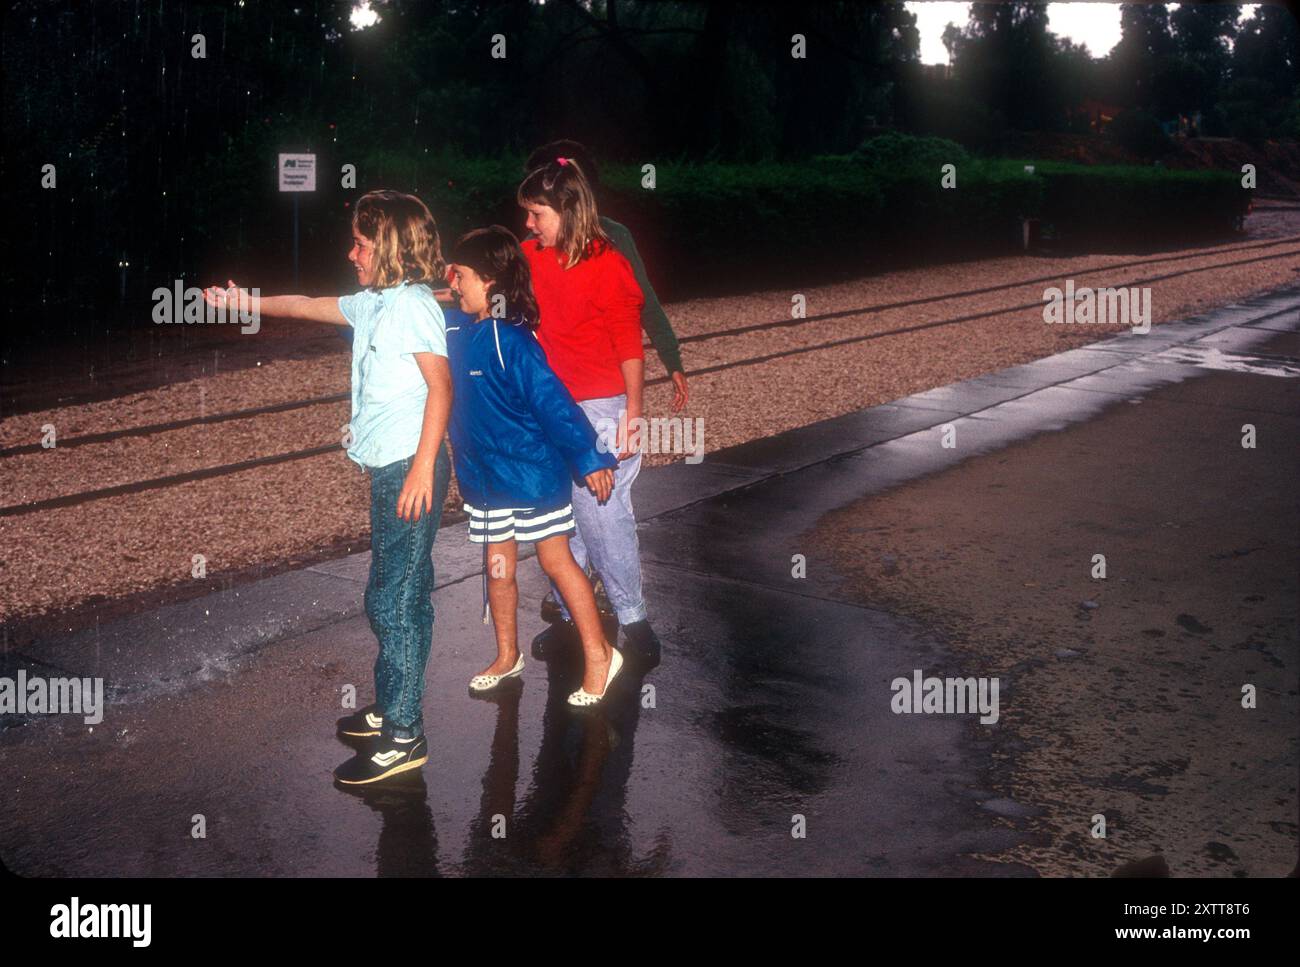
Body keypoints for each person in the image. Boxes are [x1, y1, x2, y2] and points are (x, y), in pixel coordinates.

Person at [202, 190, 453, 784]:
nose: (351, 252)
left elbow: (441, 390)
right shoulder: (373, 303)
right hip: (393, 468)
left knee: (392, 601)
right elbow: (306, 304)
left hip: (407, 470)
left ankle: (405, 734)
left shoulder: (413, 308)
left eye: (361, 244)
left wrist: (422, 468)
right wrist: (245, 302)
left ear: (388, 248)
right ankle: (395, 705)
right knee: (403, 595)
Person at [444, 226, 623, 706]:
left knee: (555, 560)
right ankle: (507, 656)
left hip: (533, 475)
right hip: (484, 479)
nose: (452, 283)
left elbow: (553, 403)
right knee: (498, 567)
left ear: (489, 280)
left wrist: (588, 457)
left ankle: (601, 654)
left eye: (460, 275)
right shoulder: (456, 327)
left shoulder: (511, 340)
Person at [525, 141, 686, 639]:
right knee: (559, 513)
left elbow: (628, 339)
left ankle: (632, 617)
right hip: (552, 405)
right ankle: (575, 610)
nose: (528, 224)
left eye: (536, 214)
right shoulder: (530, 255)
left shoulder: (608, 260)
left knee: (600, 513)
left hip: (601, 406)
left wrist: (633, 413)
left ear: (567, 210)